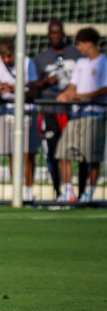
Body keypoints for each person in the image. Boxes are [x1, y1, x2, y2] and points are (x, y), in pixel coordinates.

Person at [0, 36, 42, 202]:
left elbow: (33, 91)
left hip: (27, 112)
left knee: (28, 154)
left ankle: (29, 191)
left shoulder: (26, 62)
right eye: (5, 57)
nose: (8, 60)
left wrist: (16, 89)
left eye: (10, 56)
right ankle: (16, 188)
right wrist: (2, 89)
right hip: (7, 113)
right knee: (11, 154)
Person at [55, 27, 107, 202]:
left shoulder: (103, 62)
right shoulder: (81, 63)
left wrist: (79, 97)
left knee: (92, 157)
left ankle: (88, 193)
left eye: (80, 43)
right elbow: (73, 85)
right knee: (63, 152)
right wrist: (66, 94)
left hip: (94, 115)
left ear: (89, 43)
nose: (78, 48)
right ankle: (68, 191)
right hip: (76, 114)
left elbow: (103, 89)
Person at [34, 20, 82, 198]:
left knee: (73, 151)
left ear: (63, 33)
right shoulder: (41, 58)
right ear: (48, 35)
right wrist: (47, 81)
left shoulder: (76, 54)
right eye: (52, 33)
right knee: (54, 151)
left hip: (74, 110)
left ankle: (77, 191)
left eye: (58, 32)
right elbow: (34, 85)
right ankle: (59, 190)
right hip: (50, 110)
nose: (56, 36)